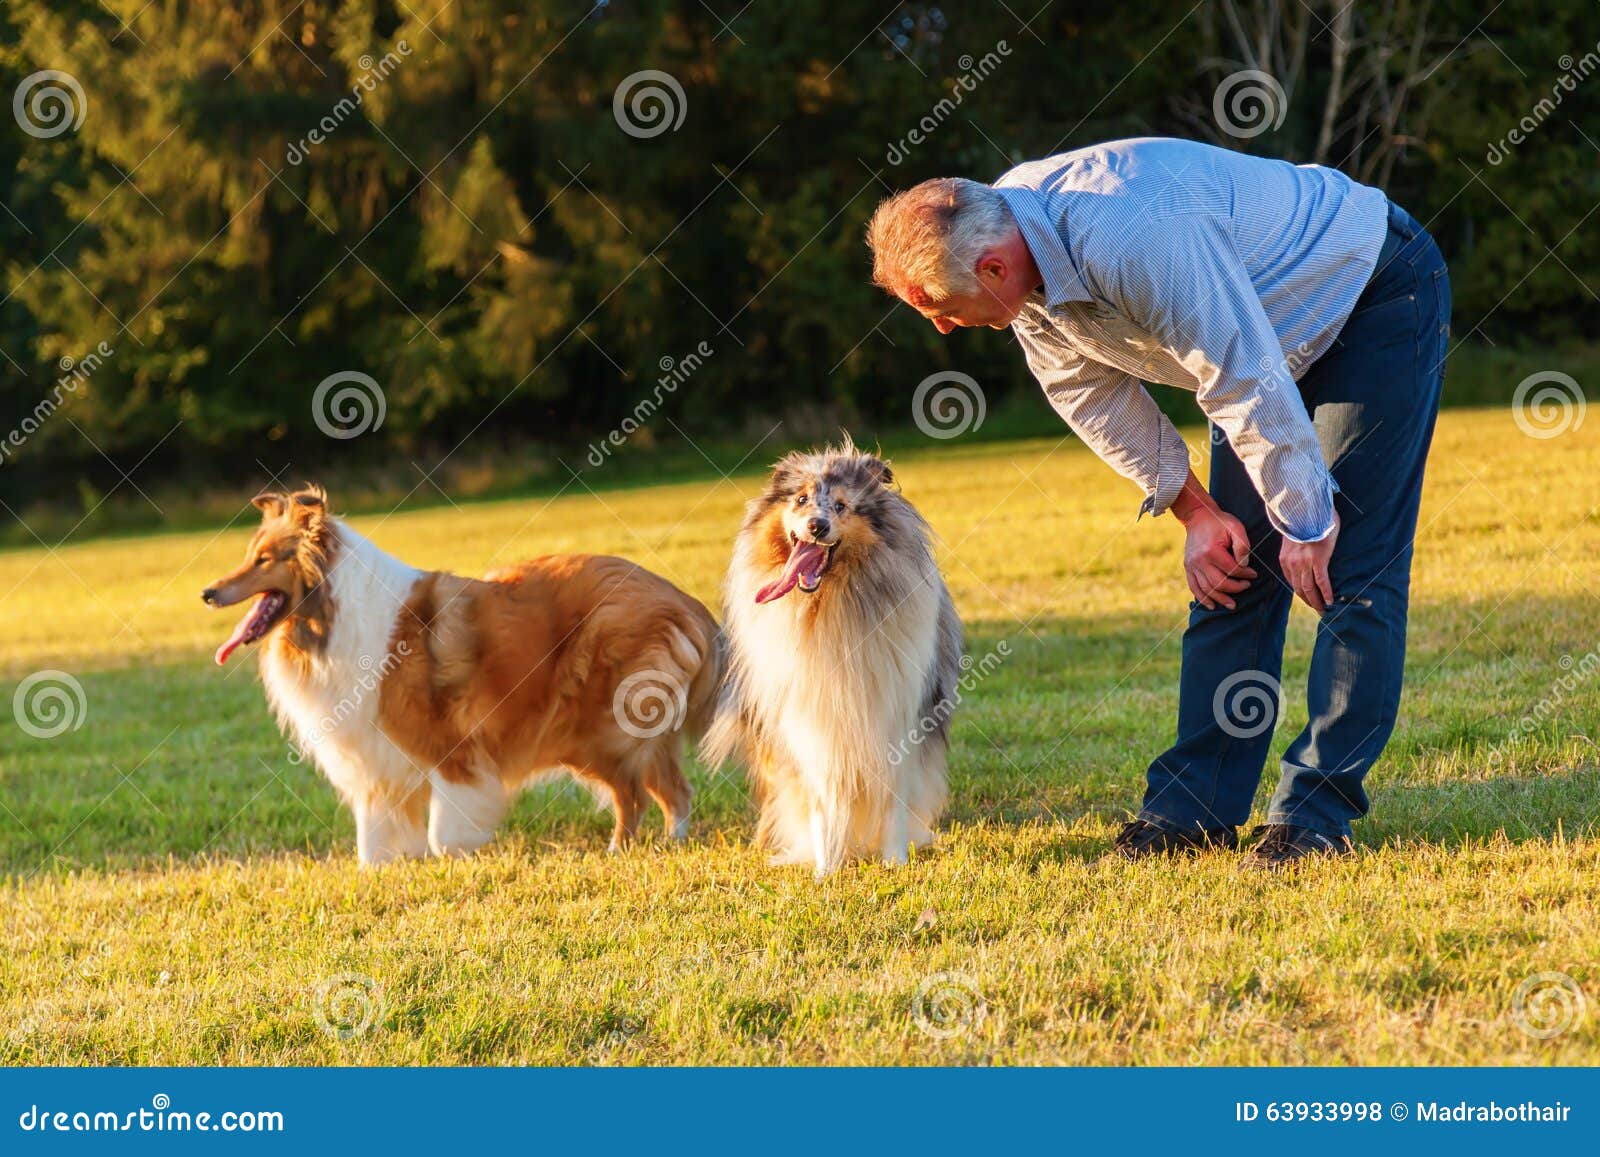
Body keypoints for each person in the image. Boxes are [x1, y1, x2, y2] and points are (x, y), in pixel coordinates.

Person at [866, 137, 1450, 869]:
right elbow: (1090, 394)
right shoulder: (1013, 251)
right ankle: (1191, 811)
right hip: (1255, 343)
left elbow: (1243, 377)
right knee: (1232, 569)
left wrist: (1305, 518)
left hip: (1369, 291)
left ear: (992, 268)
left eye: (941, 309)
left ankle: (1315, 814)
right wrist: (1199, 512)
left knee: (1350, 568)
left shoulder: (1131, 230)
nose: (944, 326)